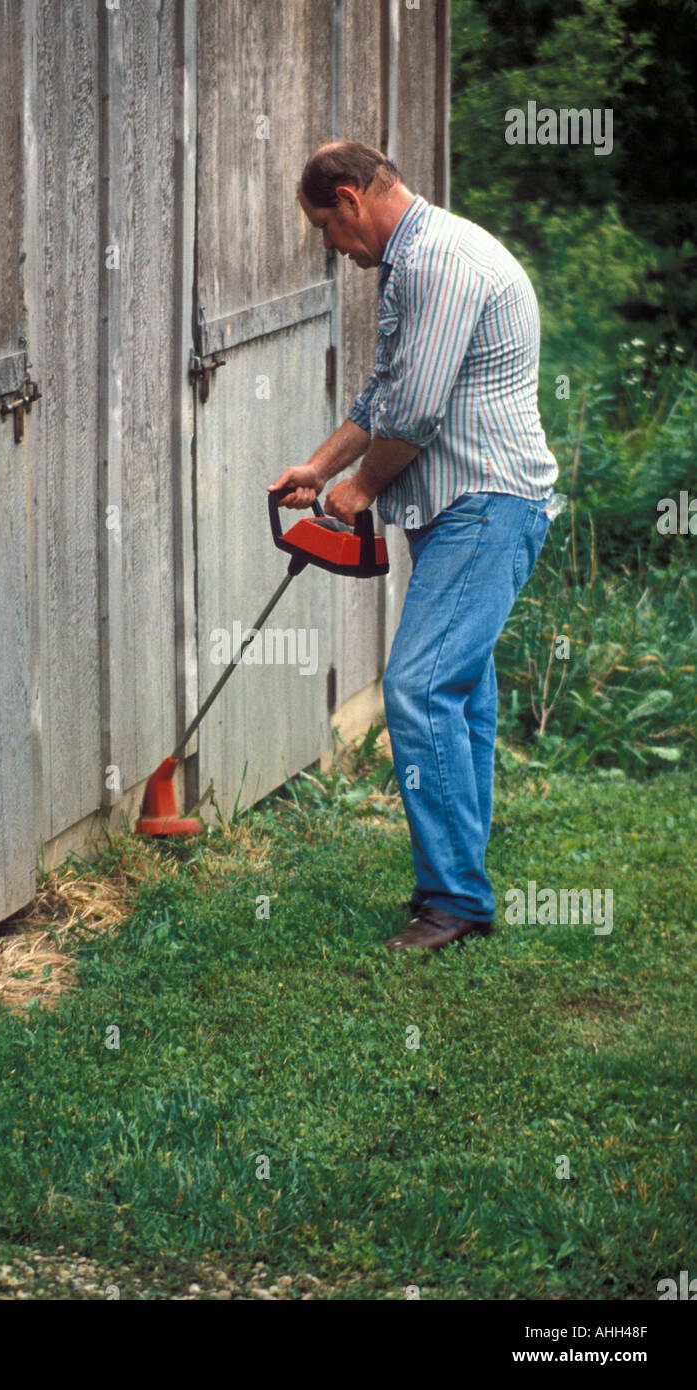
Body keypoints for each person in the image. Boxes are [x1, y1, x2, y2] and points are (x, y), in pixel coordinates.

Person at [269, 140, 559, 953]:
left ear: (352, 198)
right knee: (458, 690)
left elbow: (419, 412)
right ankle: (459, 879)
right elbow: (384, 392)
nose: (331, 247)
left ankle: (455, 900)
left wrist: (358, 491)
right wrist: (319, 469)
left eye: (328, 228)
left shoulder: (440, 262)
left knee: (419, 687)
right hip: (462, 507)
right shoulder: (412, 264)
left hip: (485, 503)